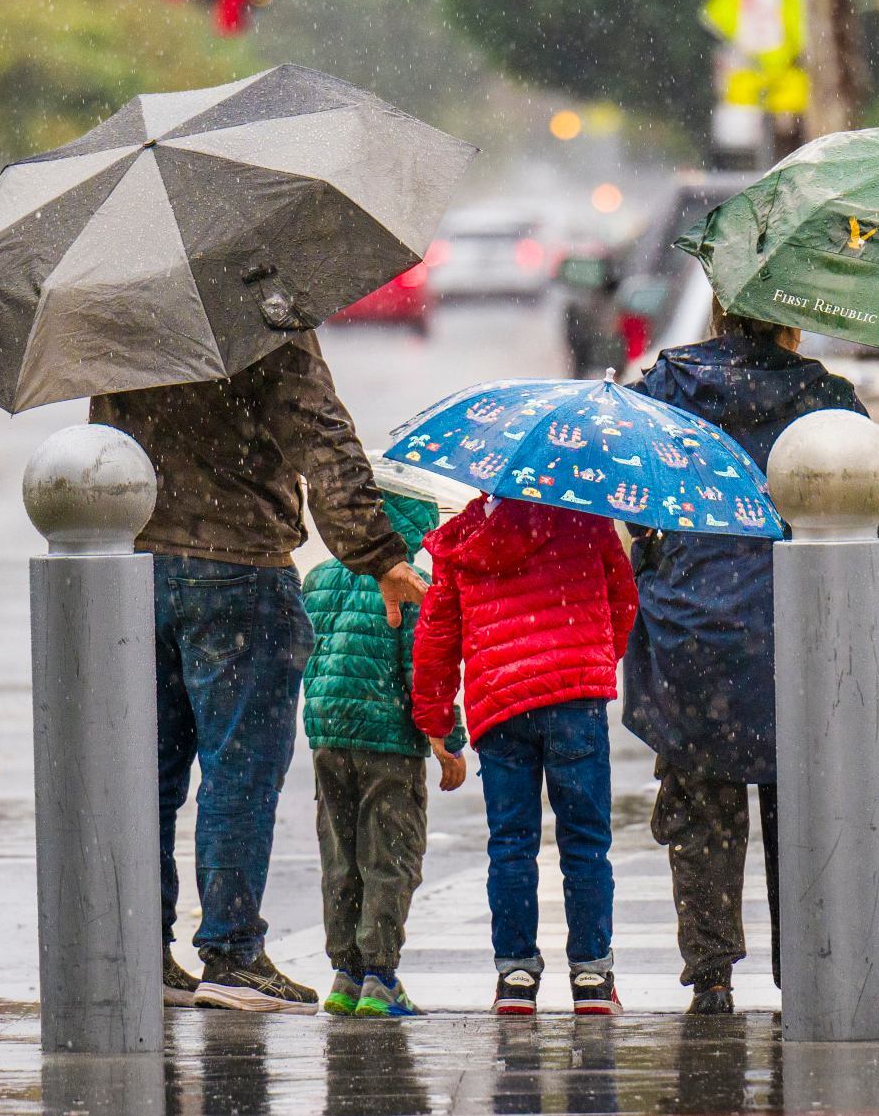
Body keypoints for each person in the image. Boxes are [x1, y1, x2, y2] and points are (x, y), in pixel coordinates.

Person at [91, 332, 426, 1013]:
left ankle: (142, 948)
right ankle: (233, 950)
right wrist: (379, 553)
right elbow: (319, 430)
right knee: (238, 770)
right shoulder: (257, 303)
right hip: (238, 563)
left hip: (137, 567)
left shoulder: (123, 306)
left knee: (147, 773)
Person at [624, 304, 879, 1014]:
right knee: (806, 808)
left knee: (701, 810)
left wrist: (660, 550)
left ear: (718, 314)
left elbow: (630, 492)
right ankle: (809, 968)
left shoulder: (666, 389)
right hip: (793, 635)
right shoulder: (822, 398)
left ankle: (710, 975)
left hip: (692, 636)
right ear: (791, 323)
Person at [411, 494, 638, 1016]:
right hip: (574, 701)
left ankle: (515, 975)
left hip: (501, 703)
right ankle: (591, 976)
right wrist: (593, 661)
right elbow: (622, 598)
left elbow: (437, 634)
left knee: (511, 844)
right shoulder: (584, 517)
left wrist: (436, 719)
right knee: (586, 842)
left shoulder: (464, 538)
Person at [300, 488, 467, 1018]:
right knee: (390, 856)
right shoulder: (411, 579)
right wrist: (447, 740)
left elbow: (308, 652)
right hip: (388, 737)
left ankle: (345, 976)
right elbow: (424, 668)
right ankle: (381, 977)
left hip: (327, 734)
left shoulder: (321, 575)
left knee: (341, 856)